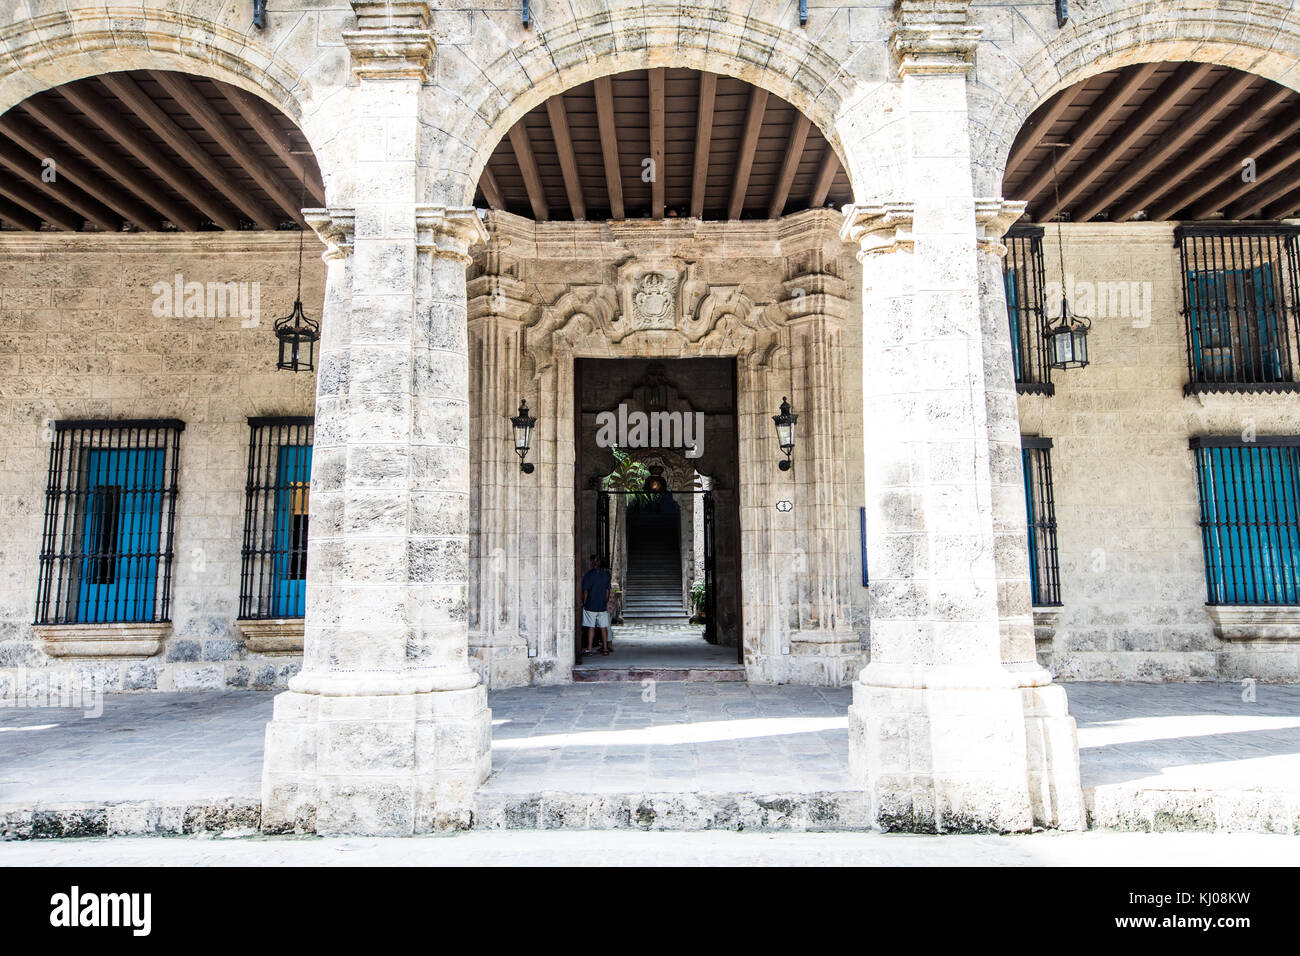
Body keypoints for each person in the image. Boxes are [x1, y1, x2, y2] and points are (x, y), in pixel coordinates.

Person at [581, 554, 612, 656]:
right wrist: (605, 601)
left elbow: (585, 591)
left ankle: (589, 649)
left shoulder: (588, 575)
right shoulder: (605, 575)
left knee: (591, 627)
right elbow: (607, 591)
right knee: (603, 627)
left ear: (591, 563)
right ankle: (605, 648)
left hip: (590, 604)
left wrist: (584, 602)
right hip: (601, 605)